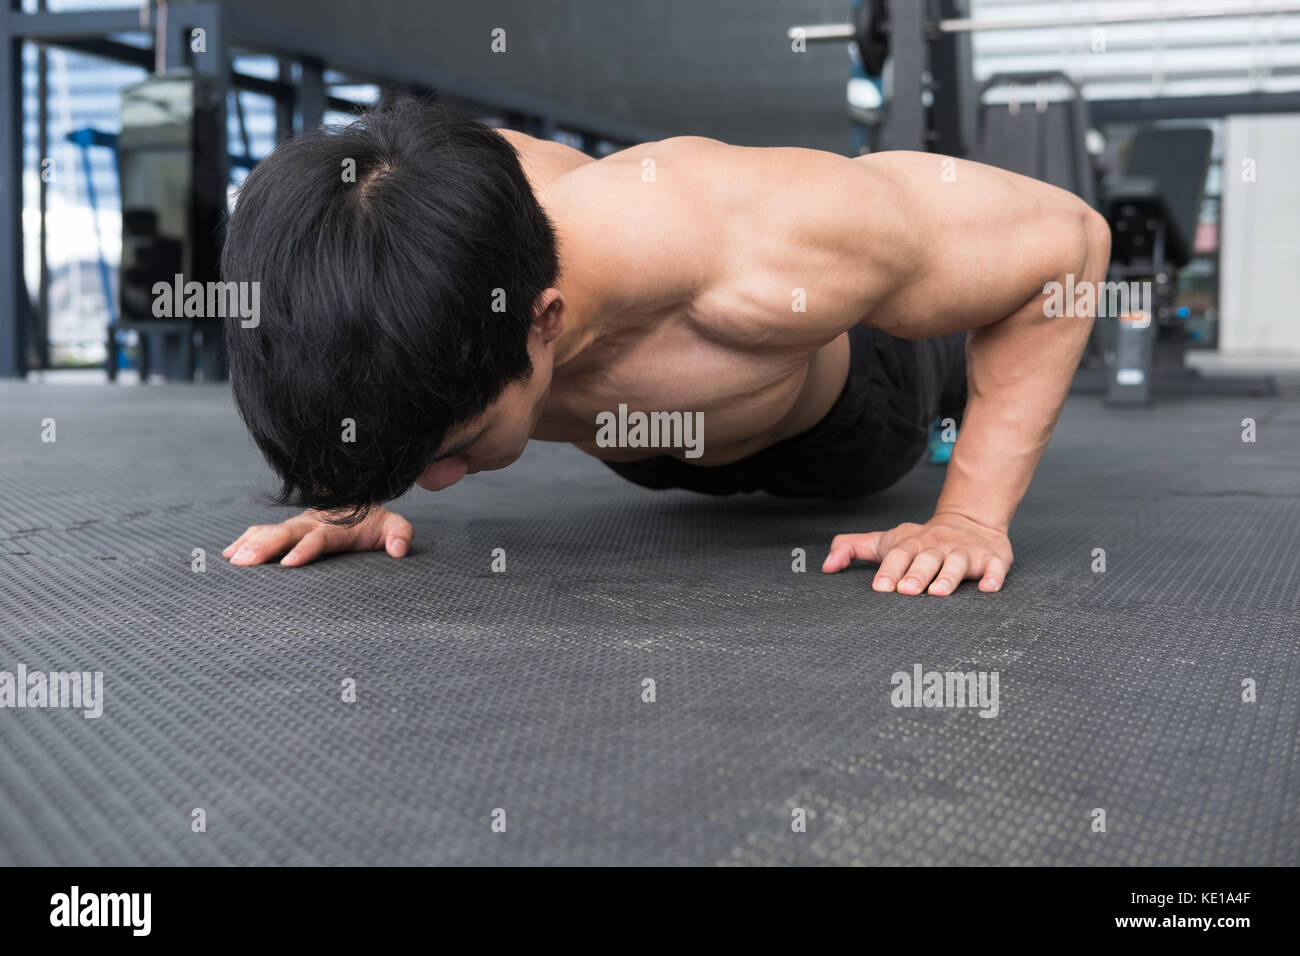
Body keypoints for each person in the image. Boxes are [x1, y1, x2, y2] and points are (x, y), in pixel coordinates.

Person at [220, 96, 1109, 596]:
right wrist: (363, 481)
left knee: (954, 339)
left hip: (853, 411)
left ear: (546, 320)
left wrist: (970, 517)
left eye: (448, 451)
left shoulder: (768, 245)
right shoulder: (386, 234)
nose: (441, 482)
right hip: (663, 439)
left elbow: (1066, 245)